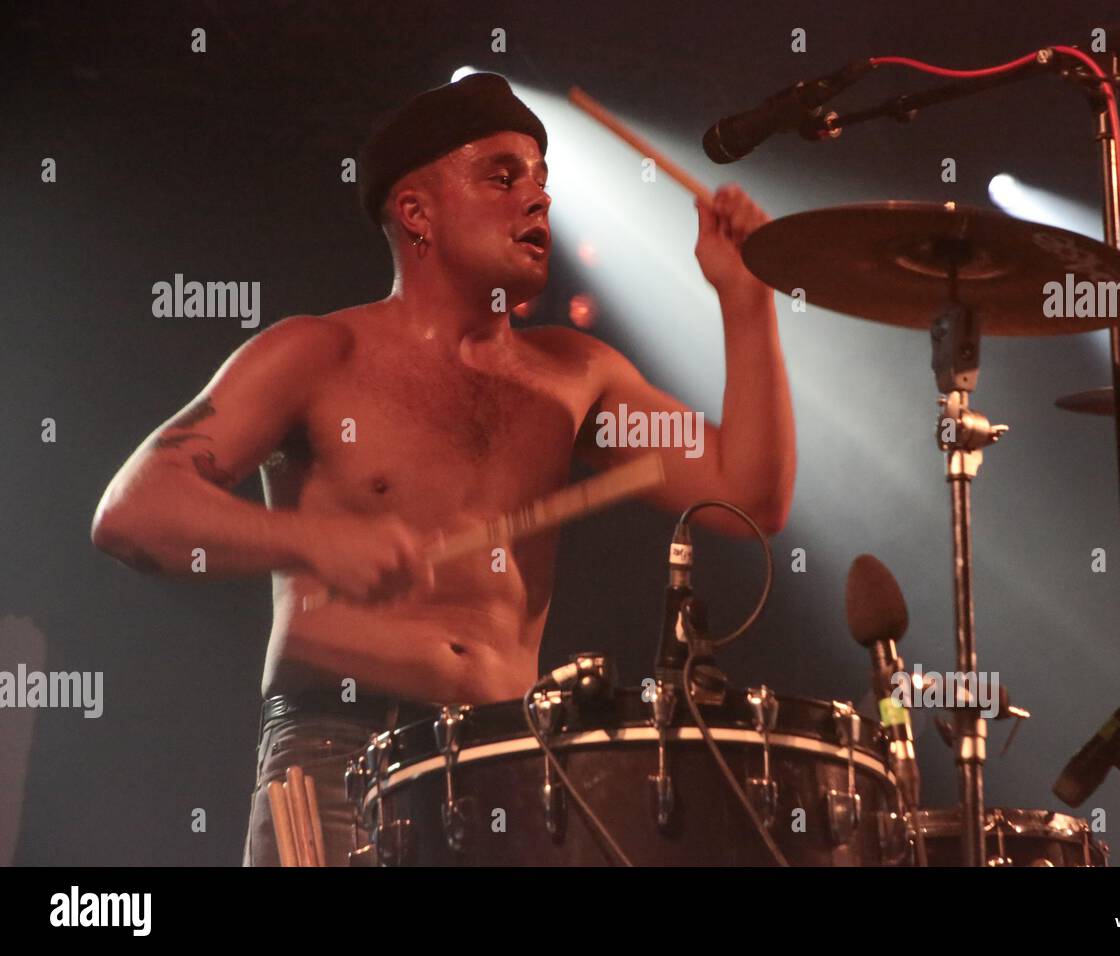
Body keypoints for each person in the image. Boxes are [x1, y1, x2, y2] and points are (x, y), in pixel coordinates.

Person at [90, 73, 796, 865]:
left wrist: (747, 302)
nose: (538, 199)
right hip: (338, 752)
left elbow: (750, 494)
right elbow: (134, 514)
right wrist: (312, 540)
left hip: (512, 760)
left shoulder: (575, 374)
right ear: (415, 213)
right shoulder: (316, 353)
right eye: (502, 175)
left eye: (541, 178)